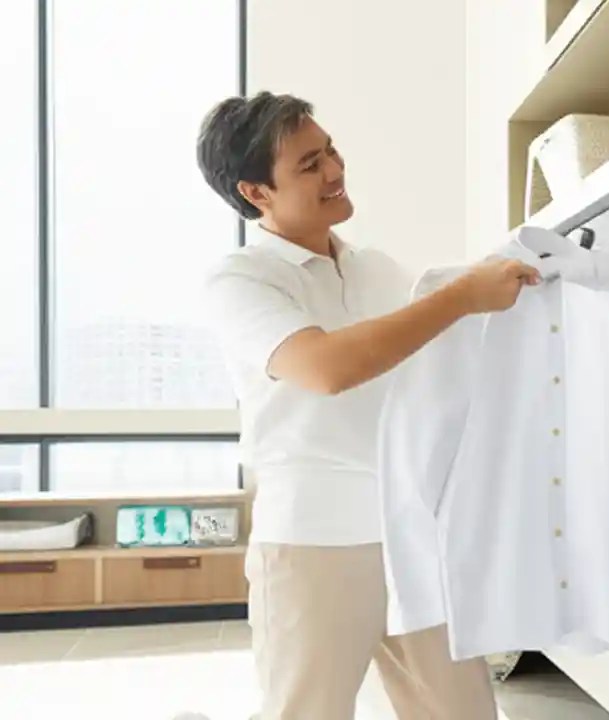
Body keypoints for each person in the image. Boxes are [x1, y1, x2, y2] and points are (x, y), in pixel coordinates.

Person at [196, 91, 540, 720]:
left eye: (330, 151)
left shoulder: (379, 270)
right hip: (312, 548)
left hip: (411, 535)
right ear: (255, 193)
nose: (334, 170)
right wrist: (463, 294)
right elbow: (326, 368)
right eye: (308, 164)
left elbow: (463, 347)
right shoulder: (242, 279)